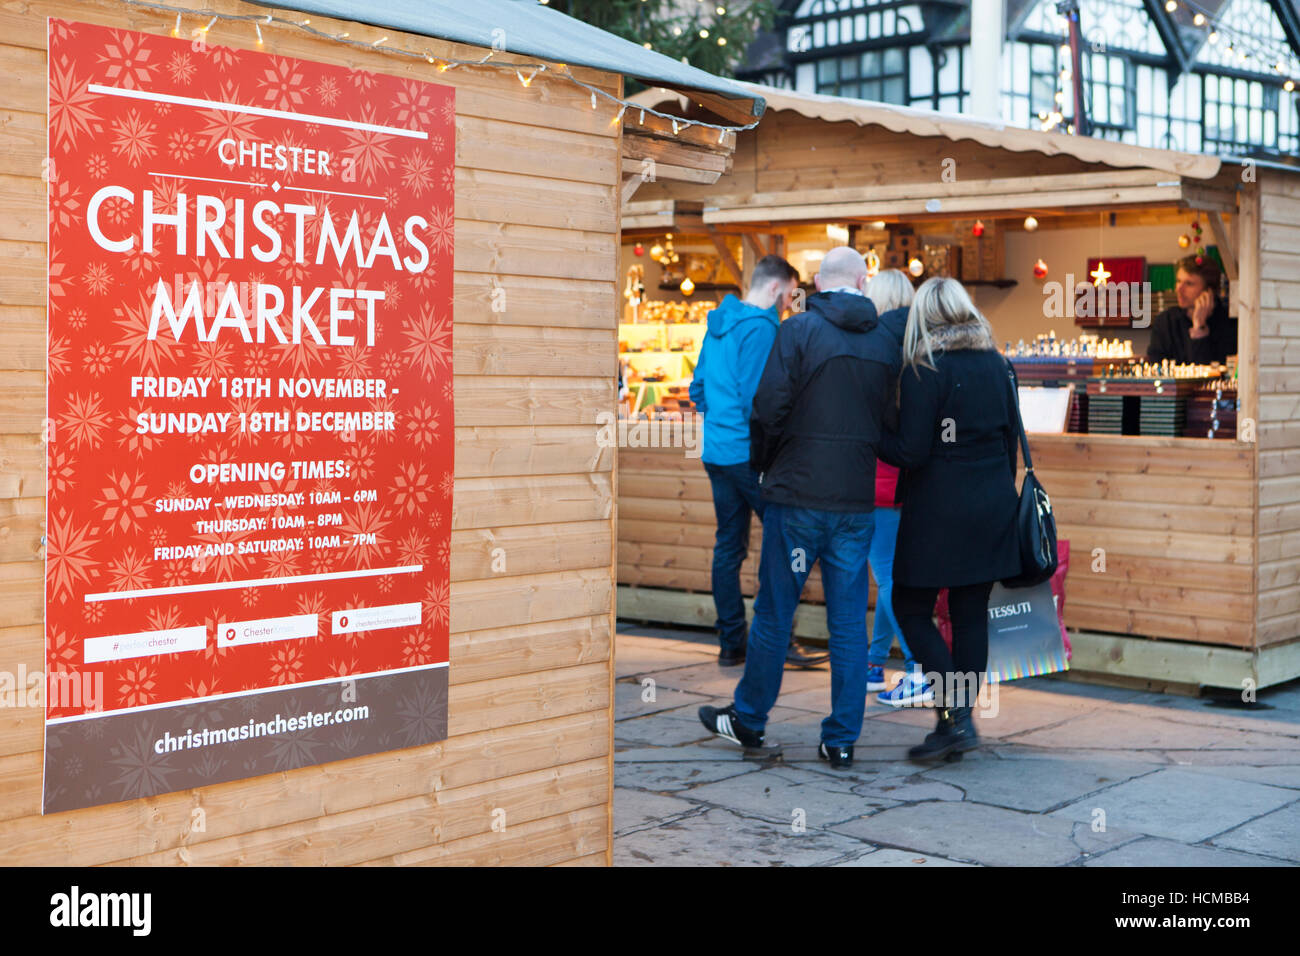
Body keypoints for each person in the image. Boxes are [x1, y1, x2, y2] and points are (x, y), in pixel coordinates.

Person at [698, 246, 900, 769]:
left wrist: (766, 465)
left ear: (818, 283)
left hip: (795, 498)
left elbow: (766, 410)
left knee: (775, 610)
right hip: (855, 503)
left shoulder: (796, 332)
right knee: (850, 622)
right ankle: (840, 738)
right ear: (862, 279)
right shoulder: (884, 342)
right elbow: (893, 429)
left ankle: (750, 719)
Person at [876, 277, 1021, 762]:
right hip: (993, 504)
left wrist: (873, 433)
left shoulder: (925, 369)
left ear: (925, 316)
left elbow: (911, 453)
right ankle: (957, 721)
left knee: (910, 606)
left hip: (939, 510)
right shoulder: (998, 365)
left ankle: (956, 717)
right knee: (969, 613)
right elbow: (1008, 445)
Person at [688, 255, 828, 669]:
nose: (788, 305)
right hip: (750, 456)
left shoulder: (717, 323)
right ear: (774, 288)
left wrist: (720, 421)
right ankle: (777, 642)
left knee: (728, 547)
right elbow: (761, 402)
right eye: (788, 296)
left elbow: (698, 389)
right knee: (788, 543)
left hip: (717, 452)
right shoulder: (765, 327)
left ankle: (732, 643)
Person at [862, 270, 932, 707]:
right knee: (891, 573)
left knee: (888, 575)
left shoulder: (876, 345)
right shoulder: (920, 343)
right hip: (915, 479)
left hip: (880, 475)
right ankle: (872, 663)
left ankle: (917, 667)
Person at [1146, 255, 1236, 365]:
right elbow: (1156, 366)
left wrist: (1199, 328)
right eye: (1179, 281)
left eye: (1189, 284)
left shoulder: (1229, 323)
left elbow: (1209, 373)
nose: (1179, 289)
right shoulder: (1166, 321)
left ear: (1209, 291)